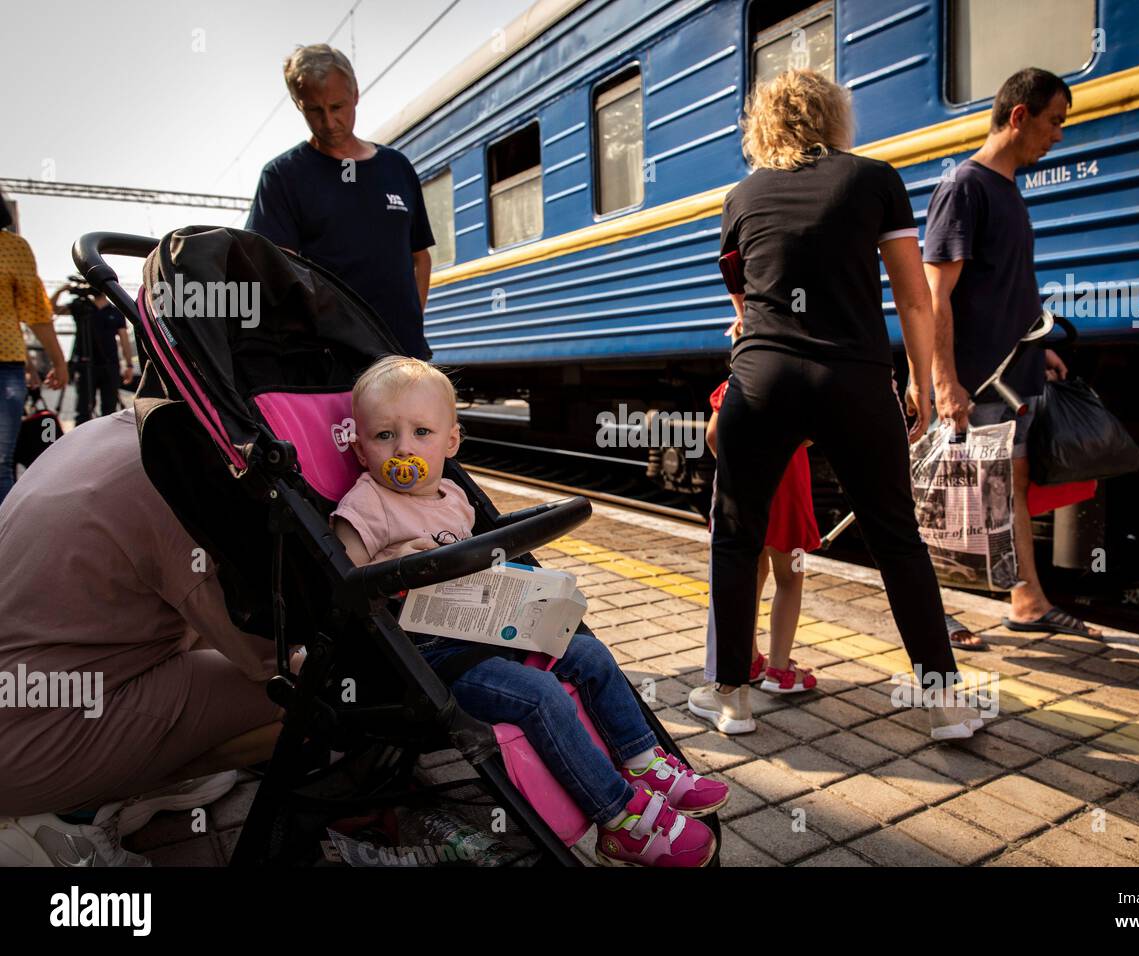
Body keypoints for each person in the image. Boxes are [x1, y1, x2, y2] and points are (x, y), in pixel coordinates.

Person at [330, 355, 729, 866]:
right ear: (361, 450)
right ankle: (620, 819)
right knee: (540, 695)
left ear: (450, 442)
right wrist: (391, 576)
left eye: (421, 432)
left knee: (589, 653)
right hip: (431, 659)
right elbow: (344, 592)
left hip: (484, 631)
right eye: (384, 436)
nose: (403, 447)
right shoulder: (367, 505)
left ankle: (643, 761)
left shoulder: (453, 496)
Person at [690, 70, 982, 740]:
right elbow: (914, 297)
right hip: (853, 378)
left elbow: (744, 306)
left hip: (762, 380)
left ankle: (732, 696)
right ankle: (945, 704)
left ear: (762, 125)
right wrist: (922, 384)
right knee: (896, 539)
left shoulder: (741, 195)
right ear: (833, 119)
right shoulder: (875, 179)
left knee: (736, 537)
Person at [0, 406, 284, 866]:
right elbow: (266, 657)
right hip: (31, 746)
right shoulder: (177, 477)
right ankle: (80, 810)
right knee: (309, 696)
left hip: (28, 704)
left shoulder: (111, 430)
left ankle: (123, 775)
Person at [924, 67, 1100, 638]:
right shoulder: (964, 187)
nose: (1058, 135)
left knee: (1009, 486)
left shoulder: (1007, 190)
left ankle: (1027, 599)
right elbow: (935, 297)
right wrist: (944, 381)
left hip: (1013, 371)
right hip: (975, 382)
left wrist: (1039, 344)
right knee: (948, 498)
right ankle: (930, 612)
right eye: (1053, 122)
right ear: (1018, 115)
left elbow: (1008, 283)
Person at [246, 44, 435, 360]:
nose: (330, 121)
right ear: (298, 104)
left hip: (404, 354)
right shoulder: (282, 177)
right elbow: (276, 276)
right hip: (329, 361)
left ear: (356, 94)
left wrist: (412, 325)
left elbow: (421, 258)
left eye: (338, 106)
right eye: (315, 111)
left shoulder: (396, 167)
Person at [705, 375, 819, 694]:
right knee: (790, 577)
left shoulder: (731, 383)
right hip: (788, 495)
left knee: (751, 573)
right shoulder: (795, 383)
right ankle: (779, 670)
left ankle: (749, 659)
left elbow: (713, 435)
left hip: (743, 494)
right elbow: (810, 435)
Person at [0, 193, 68, 505]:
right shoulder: (11, 247)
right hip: (6, 366)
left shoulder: (12, 248)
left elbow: (35, 313)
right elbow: (35, 315)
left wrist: (54, 360)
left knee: (1, 463)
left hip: (6, 364)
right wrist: (57, 360)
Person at [50, 285, 135, 425]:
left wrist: (129, 365)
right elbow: (52, 309)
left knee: (110, 410)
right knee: (83, 410)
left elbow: (124, 340)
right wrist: (60, 290)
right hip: (84, 365)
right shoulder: (81, 308)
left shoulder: (115, 312)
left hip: (110, 365)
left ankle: (107, 443)